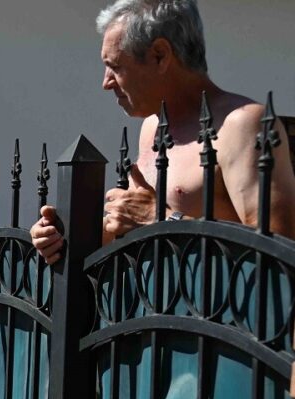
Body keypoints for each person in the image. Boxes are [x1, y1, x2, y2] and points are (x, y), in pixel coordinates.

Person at [31, 0, 295, 263]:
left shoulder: (240, 124)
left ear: (160, 55)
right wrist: (65, 236)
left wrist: (159, 219)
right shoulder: (152, 127)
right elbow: (137, 233)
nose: (106, 82)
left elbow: (280, 249)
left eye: (115, 66)